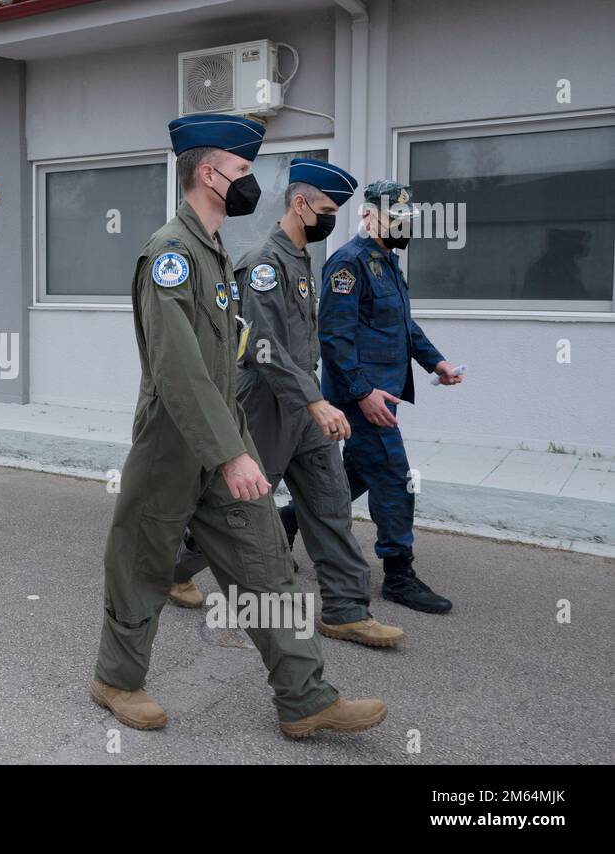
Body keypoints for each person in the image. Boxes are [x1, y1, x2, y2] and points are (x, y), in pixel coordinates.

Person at [90, 113, 386, 739]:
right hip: (173, 446)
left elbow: (232, 355)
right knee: (142, 567)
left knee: (265, 564)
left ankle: (305, 699)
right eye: (245, 171)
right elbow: (177, 368)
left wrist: (236, 445)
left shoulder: (218, 253)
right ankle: (117, 679)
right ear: (209, 172)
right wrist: (231, 452)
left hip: (230, 439)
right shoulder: (172, 254)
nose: (253, 184)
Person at [170, 159, 404, 648]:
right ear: (300, 205)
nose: (332, 218)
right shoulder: (262, 263)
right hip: (266, 407)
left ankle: (345, 610)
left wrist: (316, 402)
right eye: (326, 208)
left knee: (330, 505)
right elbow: (262, 347)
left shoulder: (302, 260)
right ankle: (172, 568)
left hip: (306, 410)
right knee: (238, 510)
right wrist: (316, 401)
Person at [283, 180, 463, 614]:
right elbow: (334, 336)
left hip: (384, 393)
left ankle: (284, 522)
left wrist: (435, 363)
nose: (404, 226)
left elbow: (404, 325)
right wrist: (362, 394)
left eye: (407, 220)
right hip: (361, 397)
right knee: (395, 479)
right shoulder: (349, 263)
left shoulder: (387, 262)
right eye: (396, 219)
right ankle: (399, 574)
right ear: (369, 217)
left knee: (356, 476)